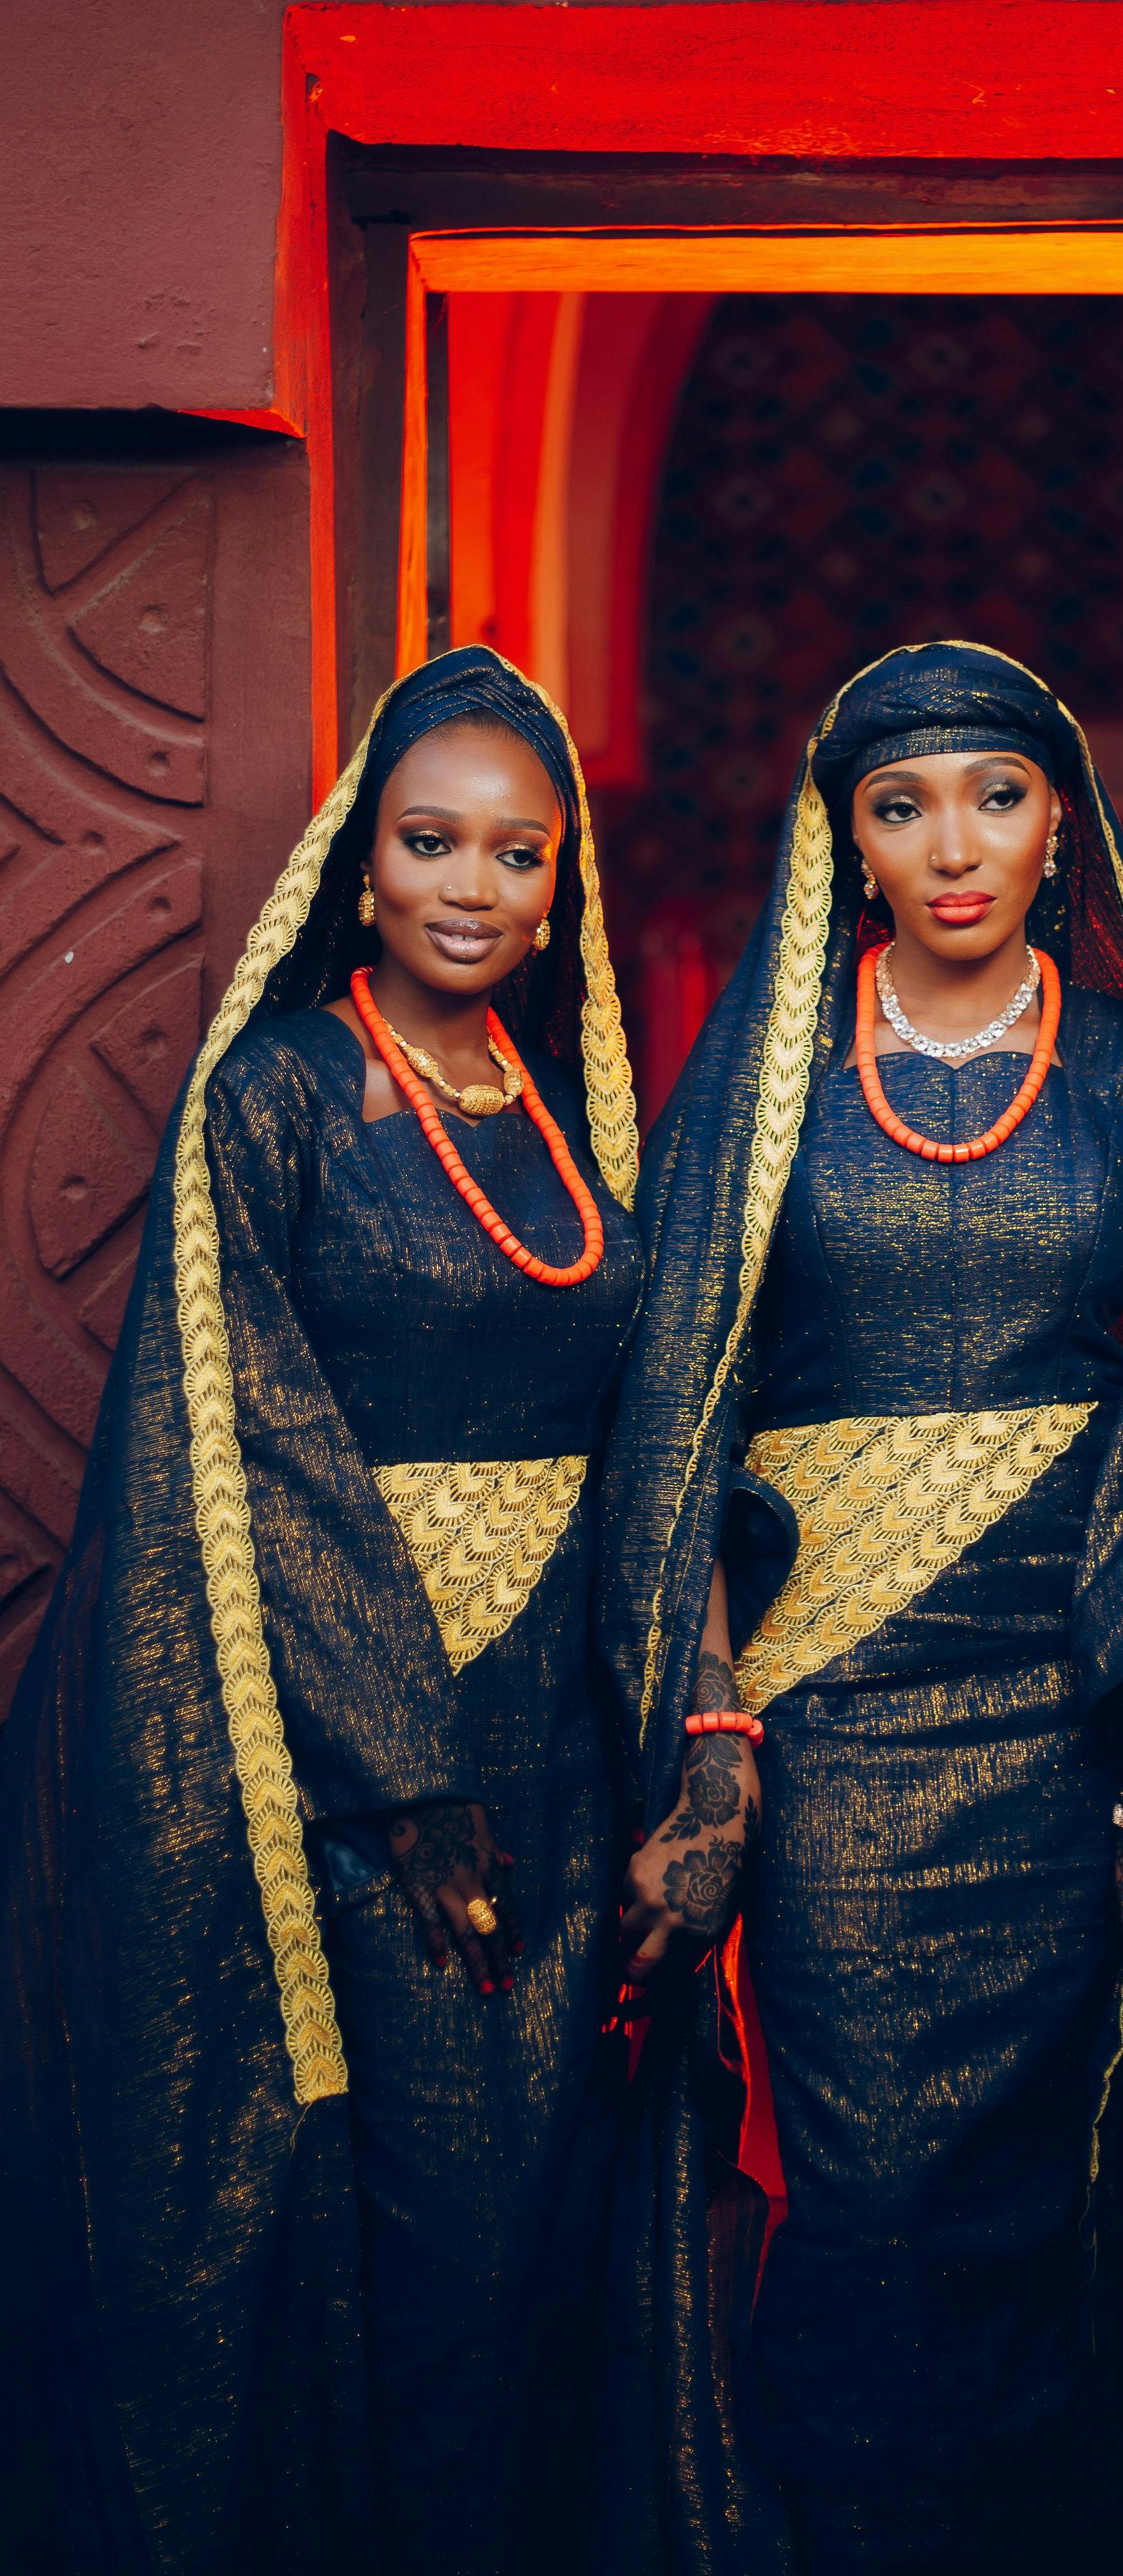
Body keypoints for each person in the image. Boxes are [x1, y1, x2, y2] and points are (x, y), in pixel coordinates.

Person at [0, 646, 644, 2576]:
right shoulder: (282, 1091)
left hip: (561, 1743)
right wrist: (405, 1772)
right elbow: (256, 1423)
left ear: (558, 887)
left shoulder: (560, 1105)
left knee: (539, 2242)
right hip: (373, 1773)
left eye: (514, 854)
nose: (470, 884)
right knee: (428, 2238)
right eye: (428, 842)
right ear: (359, 870)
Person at [599, 640, 1123, 2574]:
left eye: (997, 796)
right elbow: (678, 1415)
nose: (952, 846)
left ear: (1064, 828)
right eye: (902, 807)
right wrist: (712, 1750)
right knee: (860, 2211)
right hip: (836, 1746)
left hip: (1064, 1735)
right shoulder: (769, 1083)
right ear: (849, 845)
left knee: (1036, 2214)